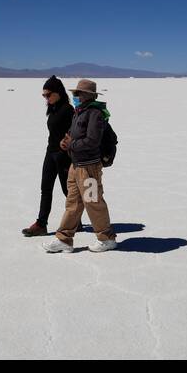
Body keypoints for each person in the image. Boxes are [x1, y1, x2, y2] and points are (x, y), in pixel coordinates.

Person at [43, 78, 117, 253]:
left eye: (78, 93)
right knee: (73, 203)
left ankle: (107, 238)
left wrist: (71, 146)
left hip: (89, 168)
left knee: (93, 202)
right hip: (75, 166)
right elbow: (72, 134)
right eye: (74, 93)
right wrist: (65, 140)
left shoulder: (95, 114)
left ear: (87, 95)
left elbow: (92, 141)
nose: (75, 96)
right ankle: (64, 239)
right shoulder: (79, 111)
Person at [22, 76, 73, 237]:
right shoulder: (54, 108)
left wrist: (66, 141)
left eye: (48, 94)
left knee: (68, 191)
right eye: (44, 95)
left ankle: (74, 221)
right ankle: (41, 224)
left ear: (58, 93)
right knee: (46, 189)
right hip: (50, 153)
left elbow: (74, 131)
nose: (46, 98)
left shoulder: (67, 109)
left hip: (64, 155)